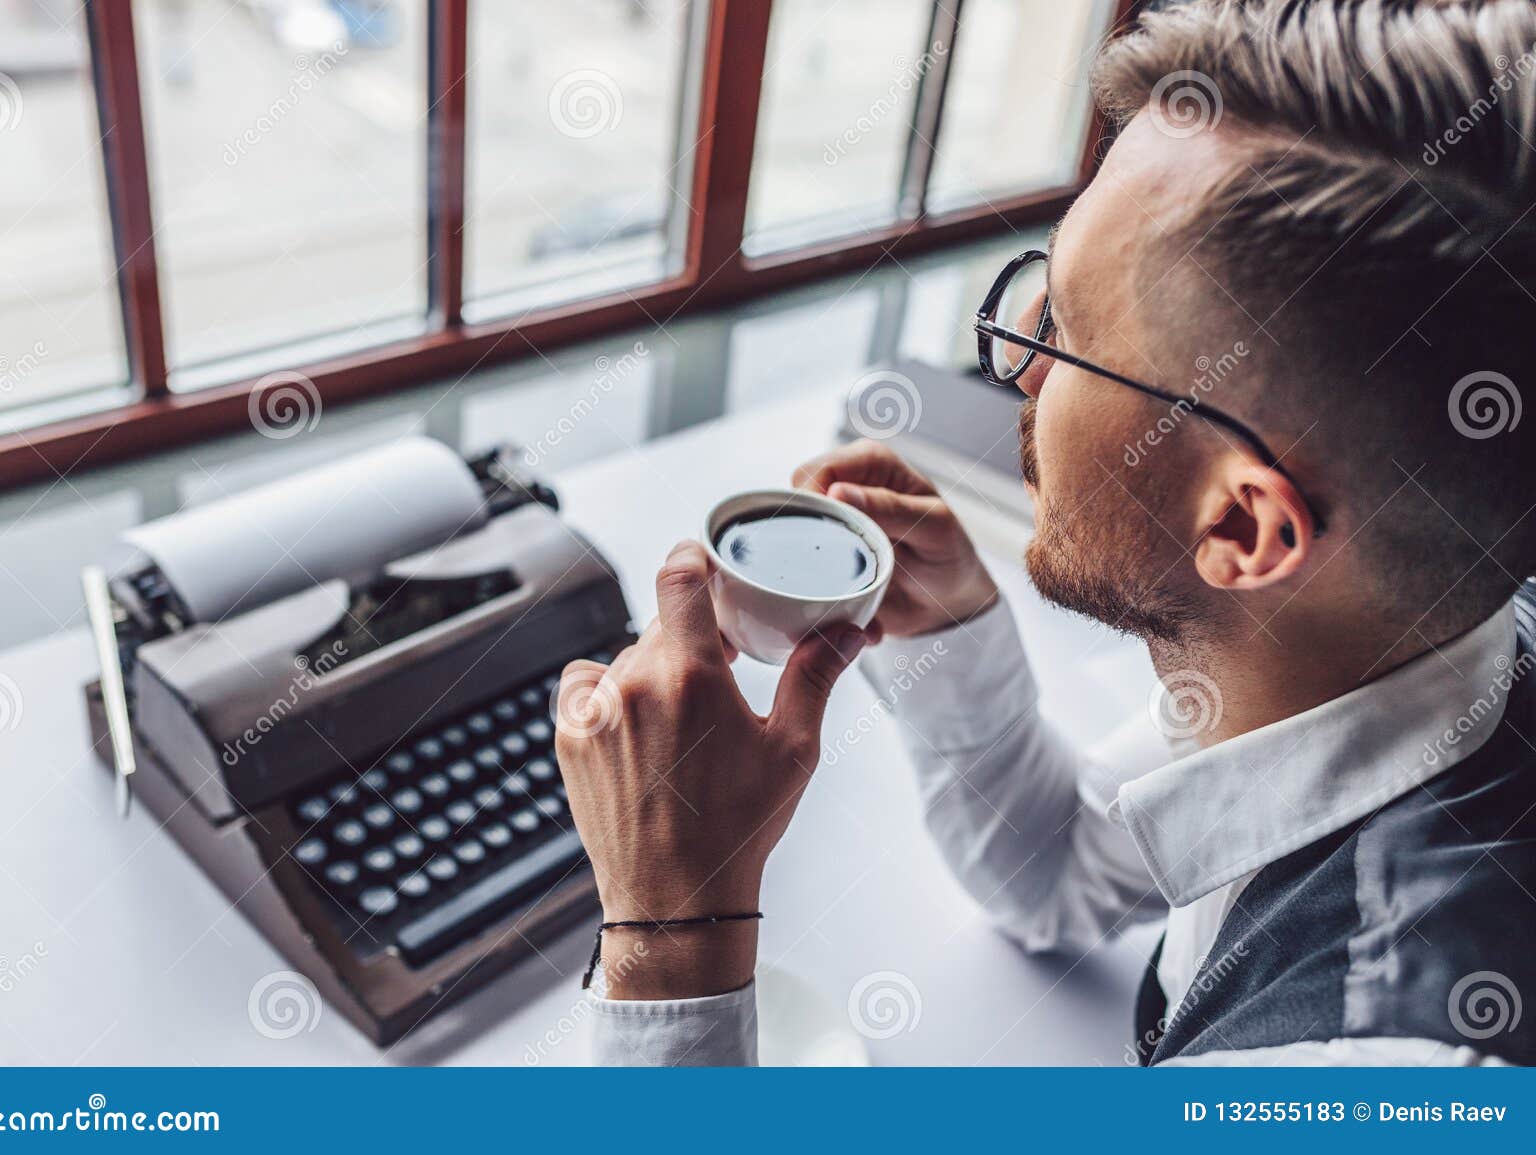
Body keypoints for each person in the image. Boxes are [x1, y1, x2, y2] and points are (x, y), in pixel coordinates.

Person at [555, 0, 1536, 1066]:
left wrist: (668, 940)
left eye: (1067, 329)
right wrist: (952, 632)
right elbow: (1060, 876)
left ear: (1243, 526)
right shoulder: (1352, 654)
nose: (1018, 359)